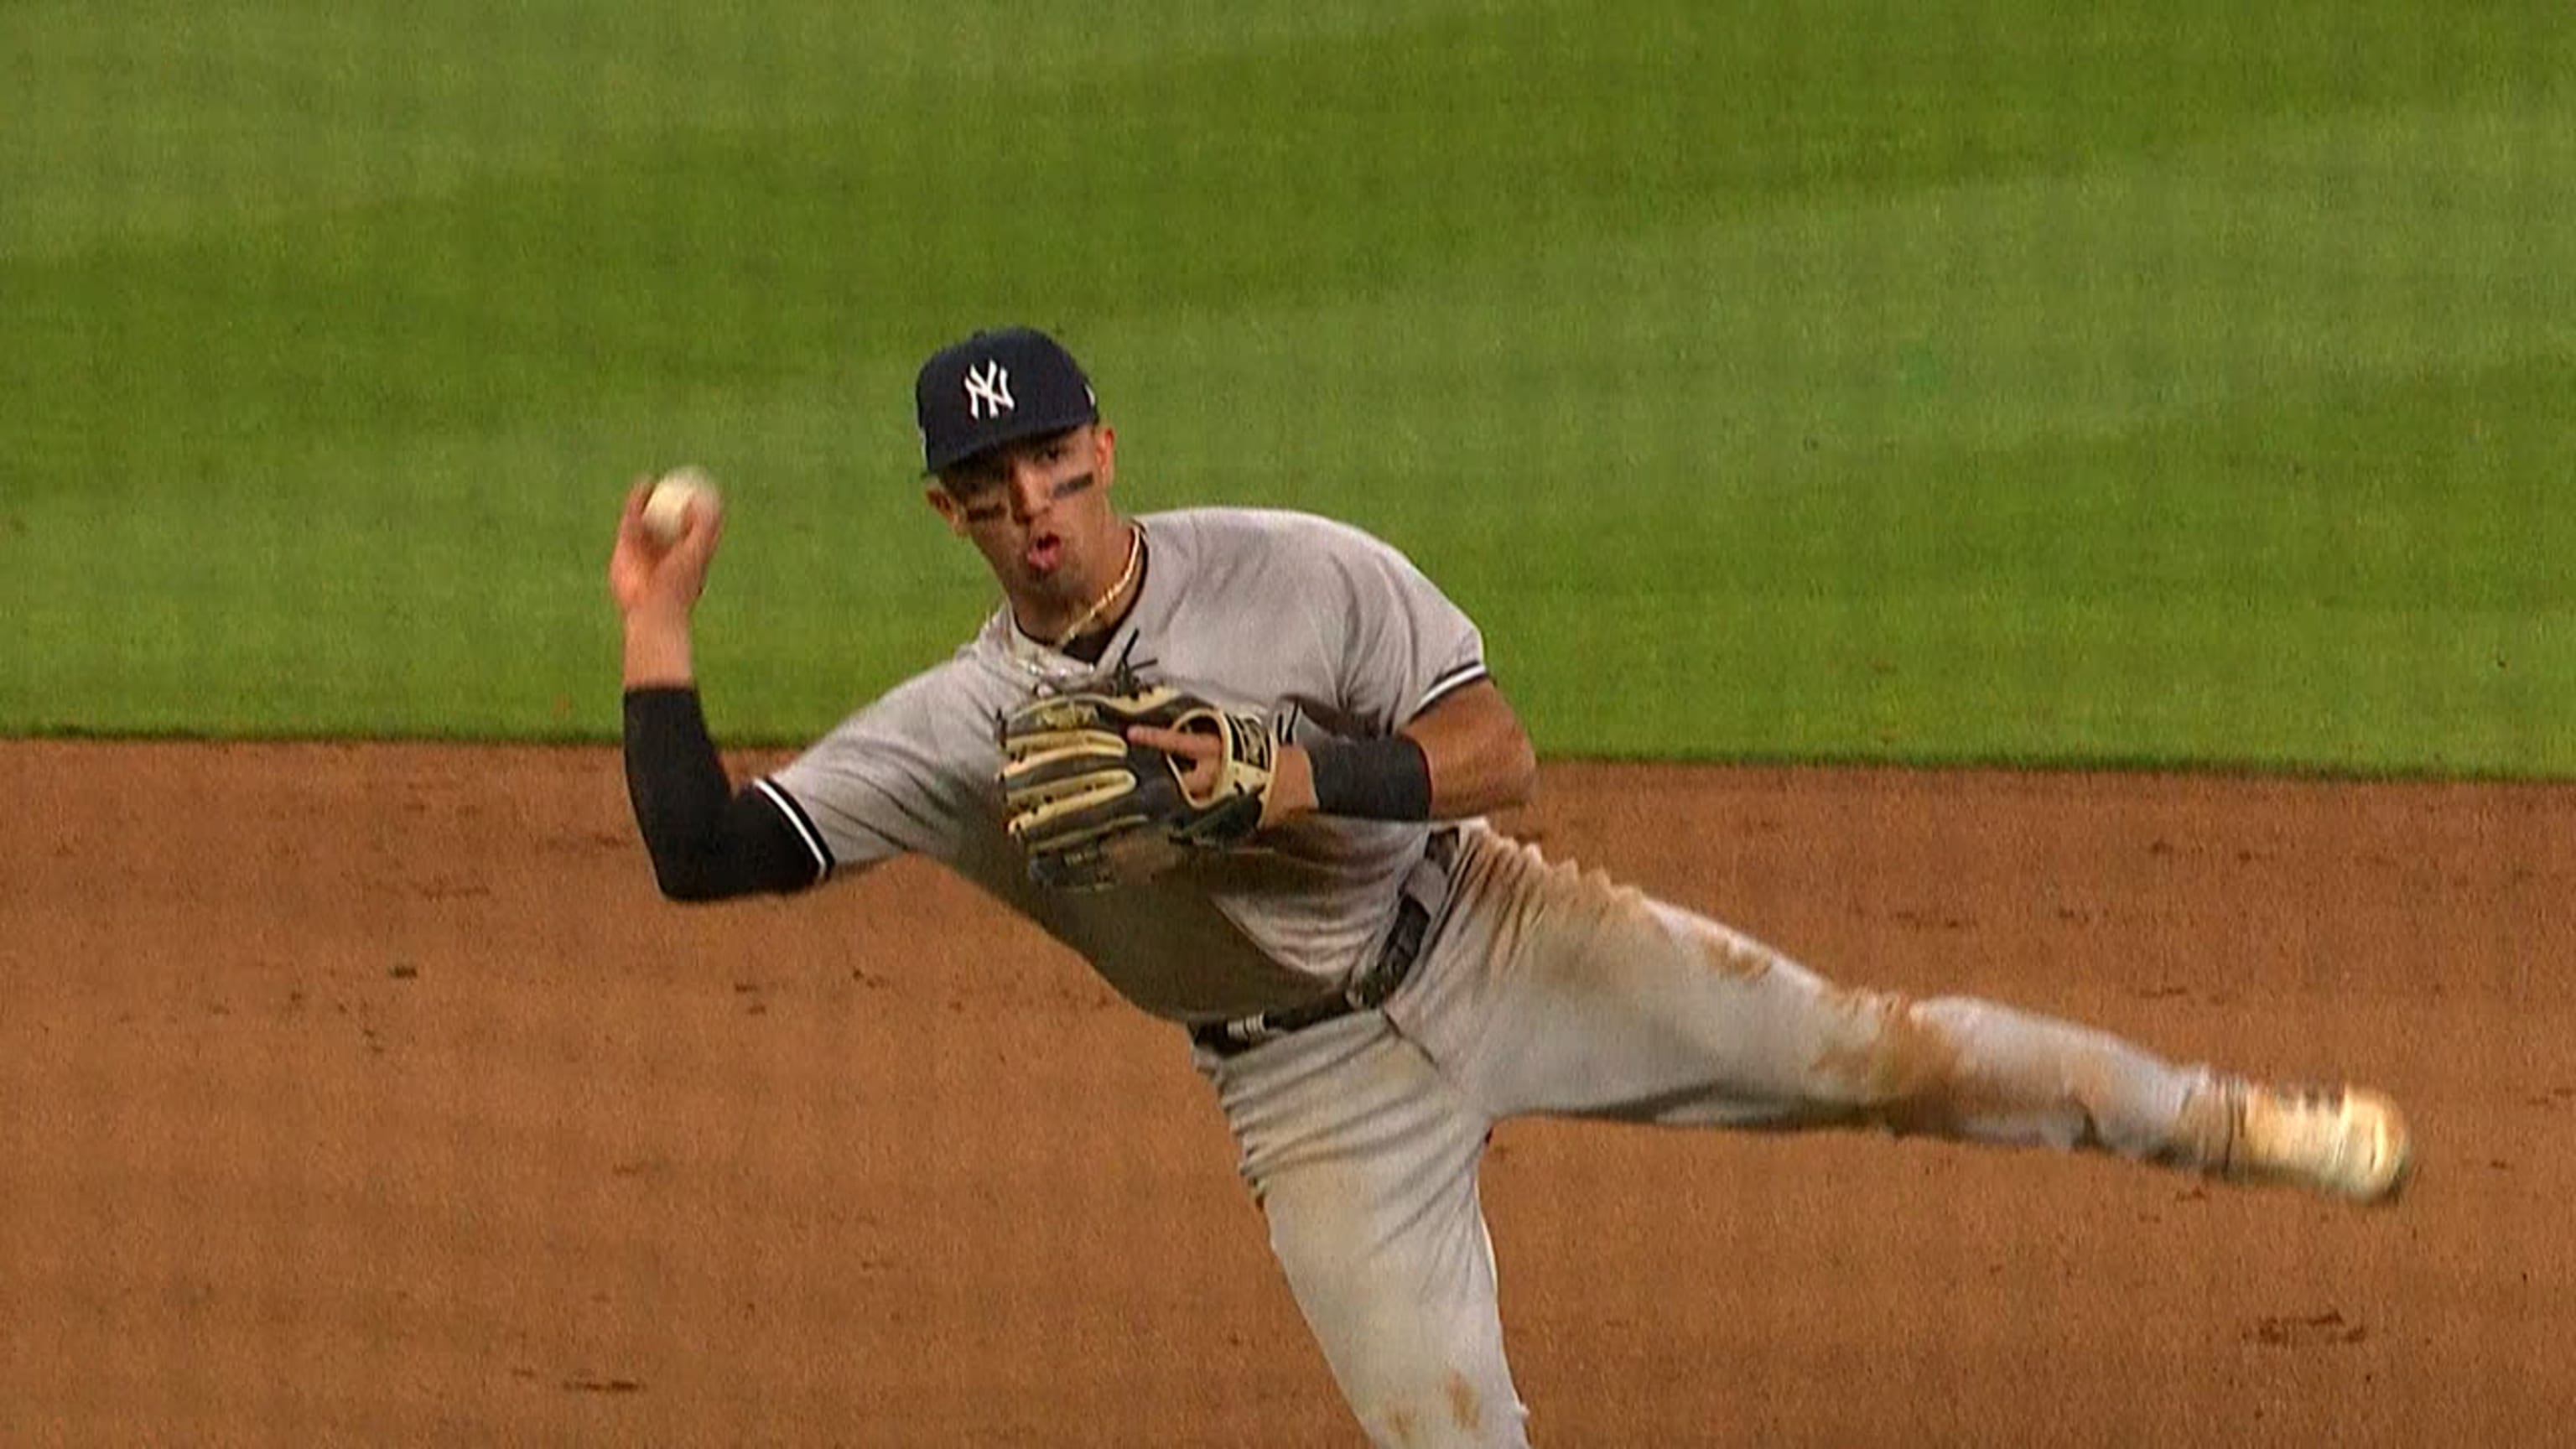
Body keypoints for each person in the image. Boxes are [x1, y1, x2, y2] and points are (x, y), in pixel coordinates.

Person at [610, 325, 2412, 1447]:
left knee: (1875, 1052)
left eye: (1050, 463)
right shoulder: (960, 729)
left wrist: (1284, 779)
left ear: (1104, 447)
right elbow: (710, 856)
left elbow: (1499, 756)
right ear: (950, 515)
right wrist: (657, 628)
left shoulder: (1301, 574)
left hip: (1489, 932)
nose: (1033, 507)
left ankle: (2235, 1125)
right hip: (1302, 1092)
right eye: (987, 486)